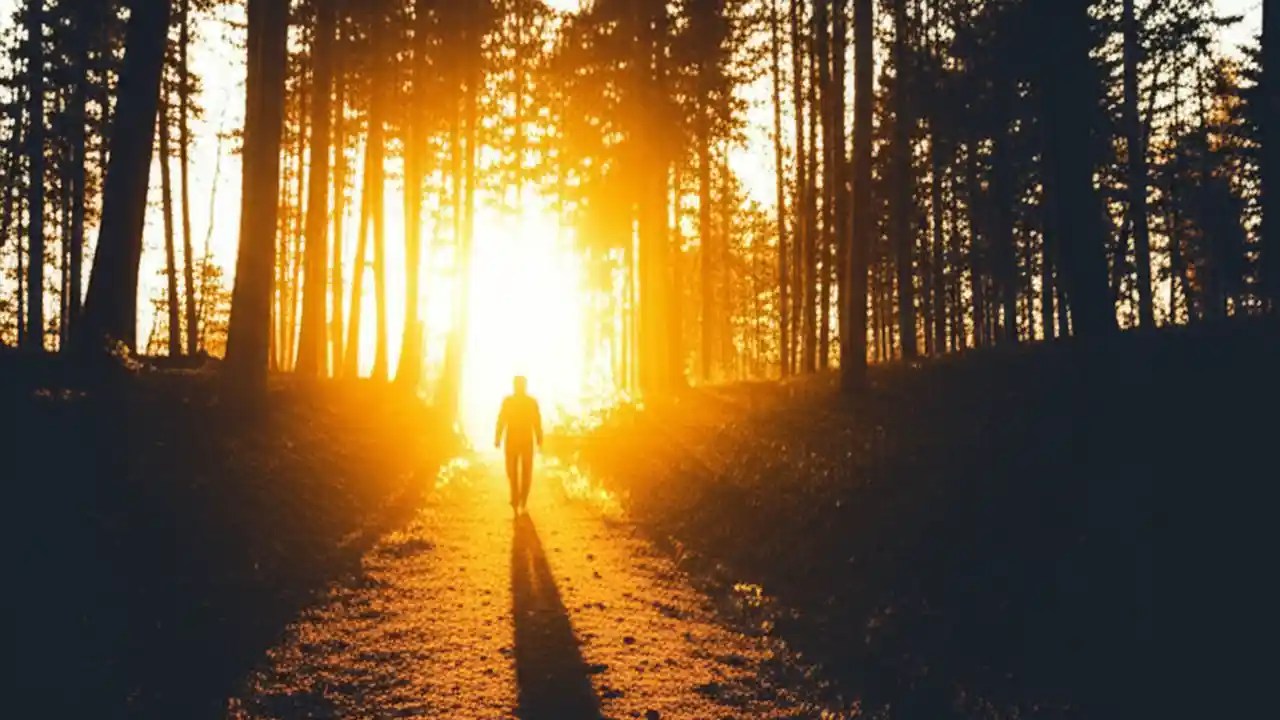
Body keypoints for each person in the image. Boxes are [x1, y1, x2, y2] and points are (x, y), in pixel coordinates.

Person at [495, 375, 543, 515]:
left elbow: (536, 421)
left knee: (522, 471)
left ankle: (521, 498)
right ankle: (518, 497)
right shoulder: (511, 401)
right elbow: (502, 419)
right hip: (518, 439)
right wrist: (498, 437)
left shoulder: (527, 402)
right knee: (514, 471)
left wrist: (539, 436)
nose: (519, 387)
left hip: (519, 439)